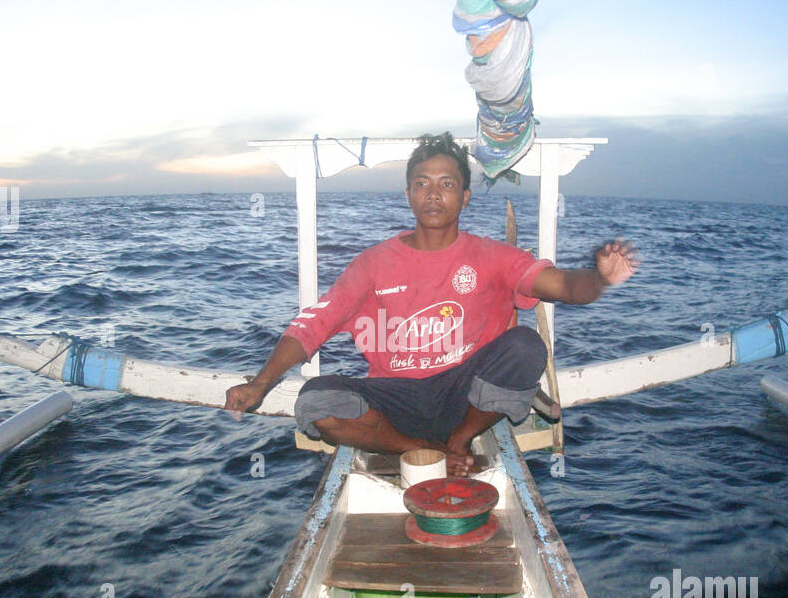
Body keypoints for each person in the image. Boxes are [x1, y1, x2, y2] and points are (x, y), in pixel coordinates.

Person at [224, 132, 639, 475]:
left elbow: (564, 286)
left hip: (464, 397)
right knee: (315, 401)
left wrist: (598, 277)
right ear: (408, 194)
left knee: (527, 347)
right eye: (423, 183)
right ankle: (420, 447)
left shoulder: (493, 256)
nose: (434, 194)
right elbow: (312, 326)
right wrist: (260, 384)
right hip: (396, 398)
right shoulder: (372, 263)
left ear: (465, 197)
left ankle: (457, 440)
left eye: (447, 184)